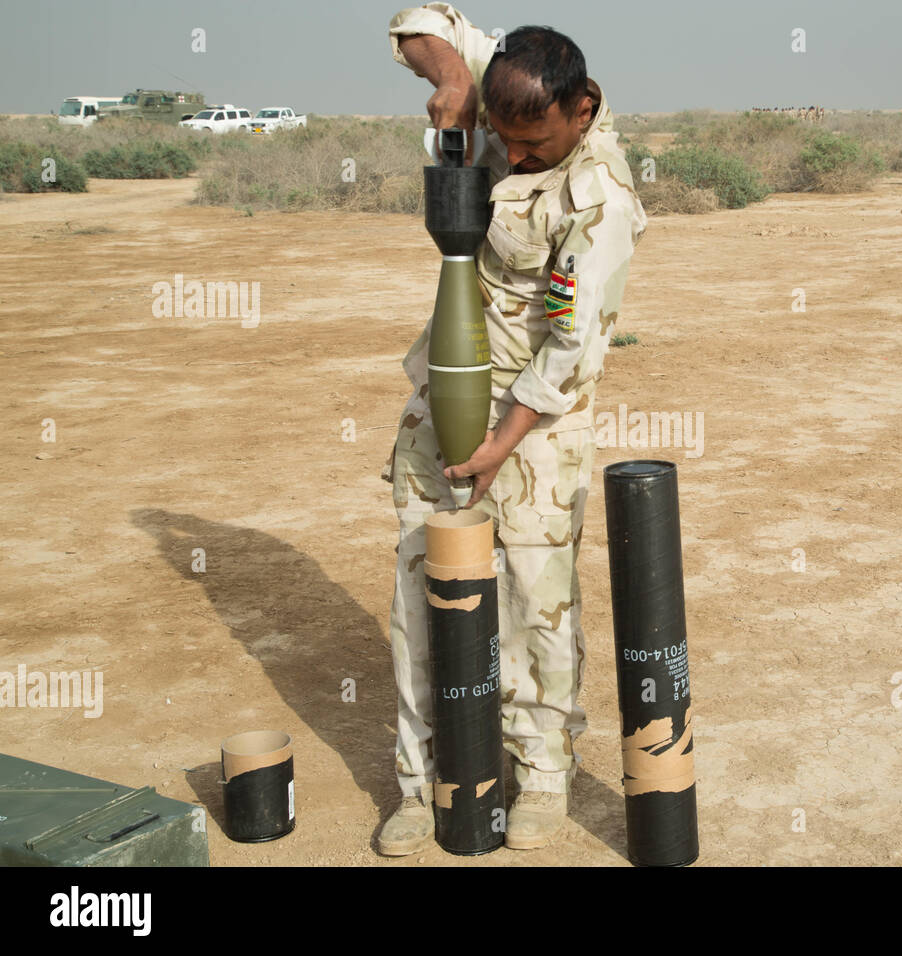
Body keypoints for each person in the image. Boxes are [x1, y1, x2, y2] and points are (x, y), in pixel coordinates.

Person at [379, 2, 647, 854]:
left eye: (534, 146)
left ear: (583, 107)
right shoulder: (507, 76)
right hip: (444, 395)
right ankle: (422, 785)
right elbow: (418, 17)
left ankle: (540, 778)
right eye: (504, 138)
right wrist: (453, 80)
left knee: (536, 602)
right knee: (423, 593)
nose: (514, 157)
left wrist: (501, 441)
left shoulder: (598, 200)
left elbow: (571, 345)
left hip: (537, 420)